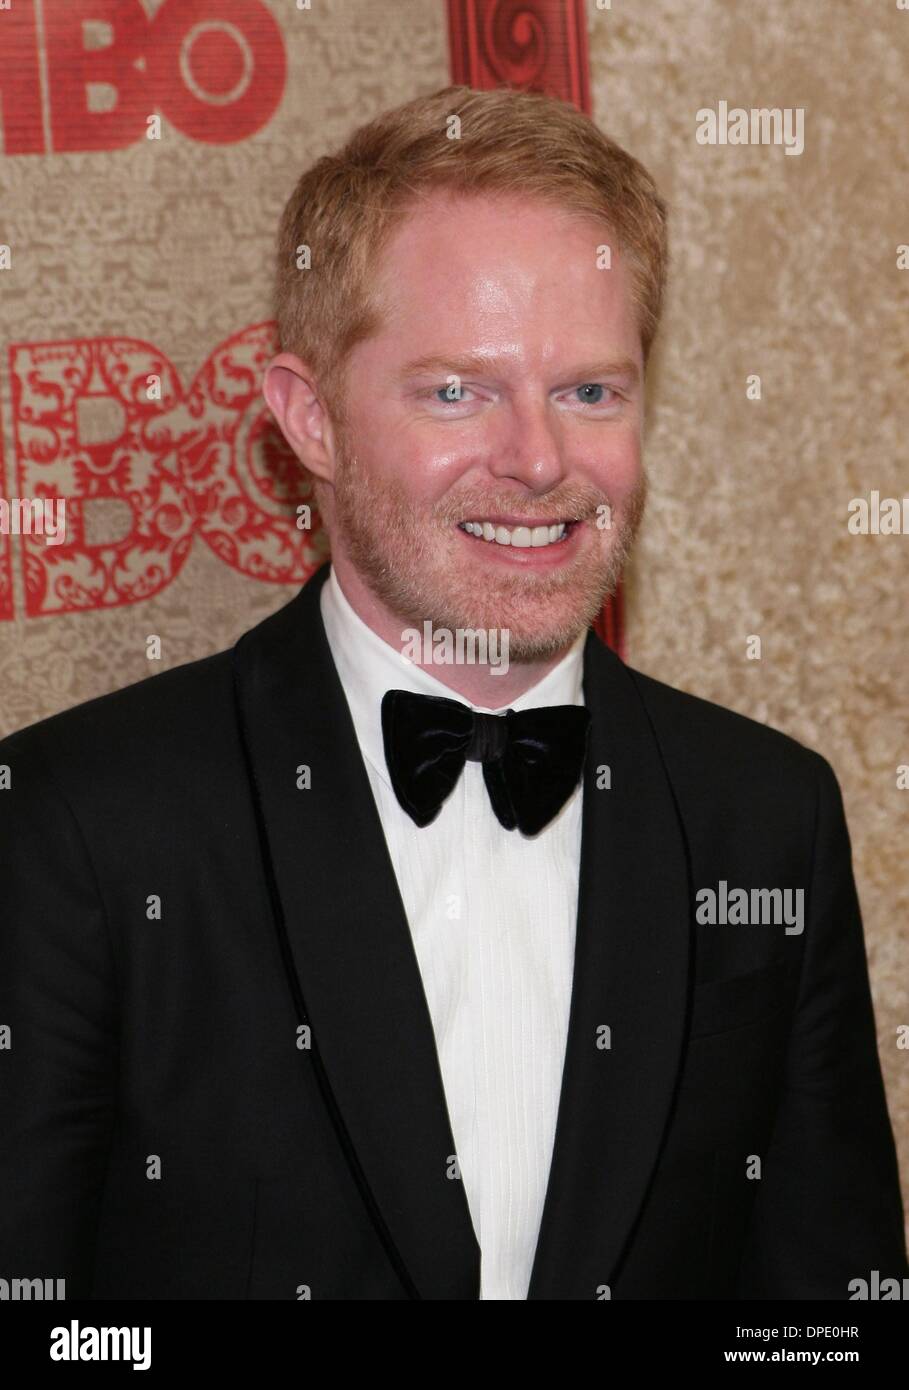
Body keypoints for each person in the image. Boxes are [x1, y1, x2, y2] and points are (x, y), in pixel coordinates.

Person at [0, 84, 905, 1301]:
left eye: (590, 390)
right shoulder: (80, 824)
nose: (539, 458)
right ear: (309, 420)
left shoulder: (767, 818)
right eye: (456, 391)